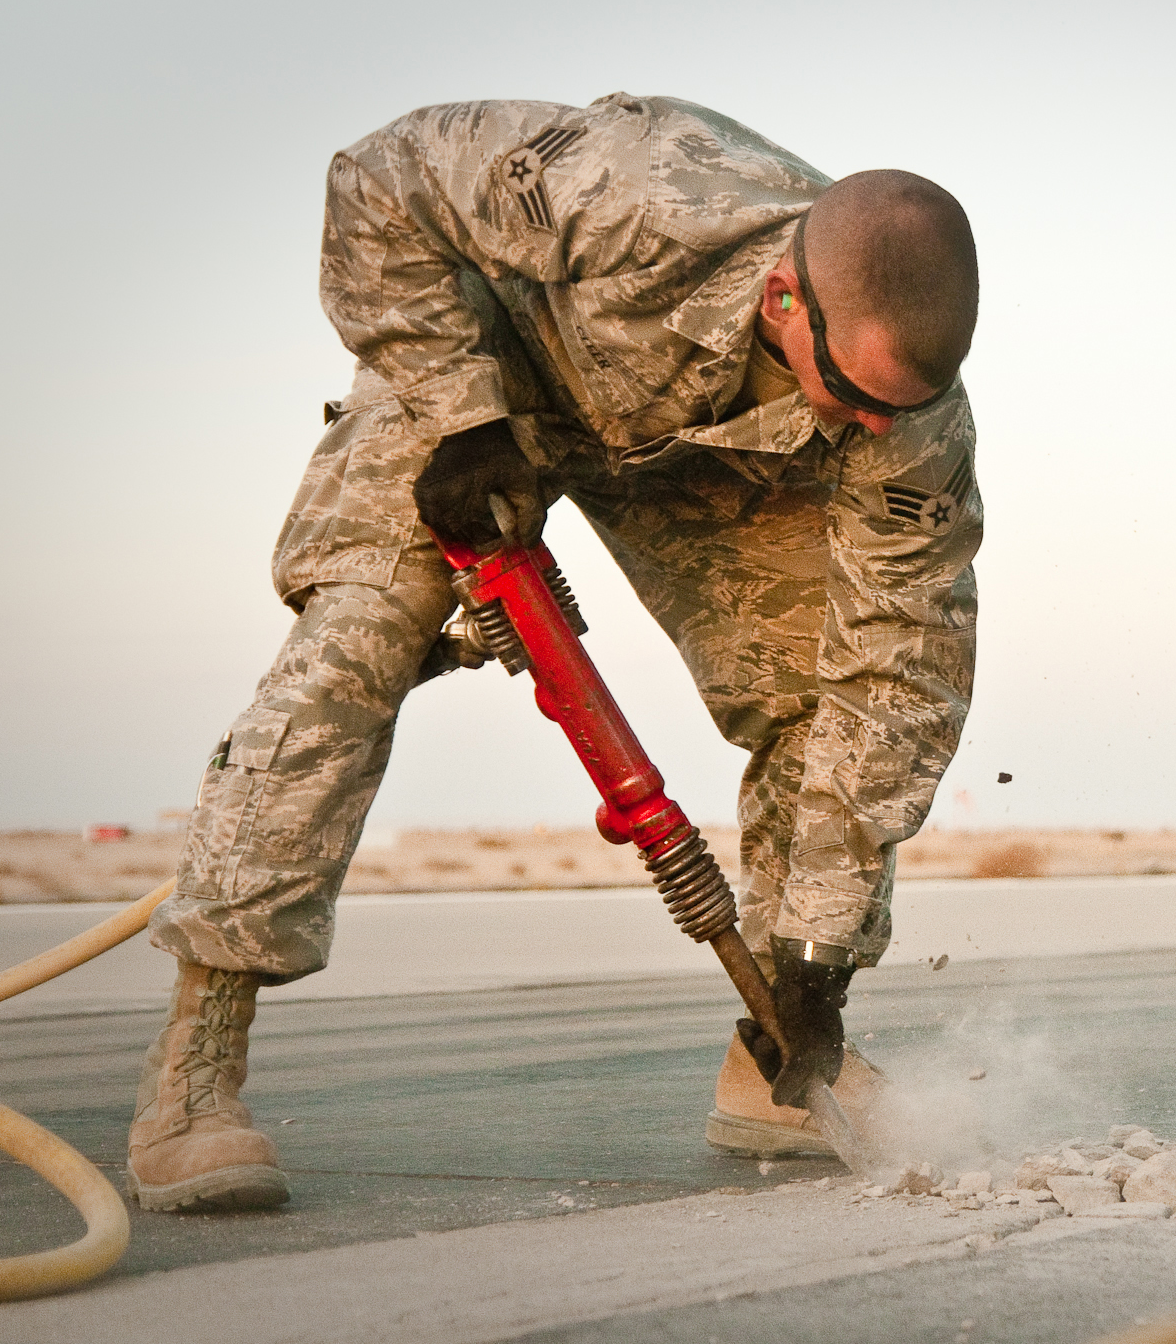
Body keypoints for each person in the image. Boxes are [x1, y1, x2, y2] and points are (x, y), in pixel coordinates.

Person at [125, 94, 982, 1212]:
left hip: (704, 453)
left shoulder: (907, 426)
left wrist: (819, 947)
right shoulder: (635, 191)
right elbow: (378, 182)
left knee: (821, 694)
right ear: (785, 298)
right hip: (484, 380)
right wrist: (459, 412)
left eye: (897, 412)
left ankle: (780, 1056)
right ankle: (196, 1073)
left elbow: (897, 679)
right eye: (861, 400)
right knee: (354, 651)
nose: (878, 430)